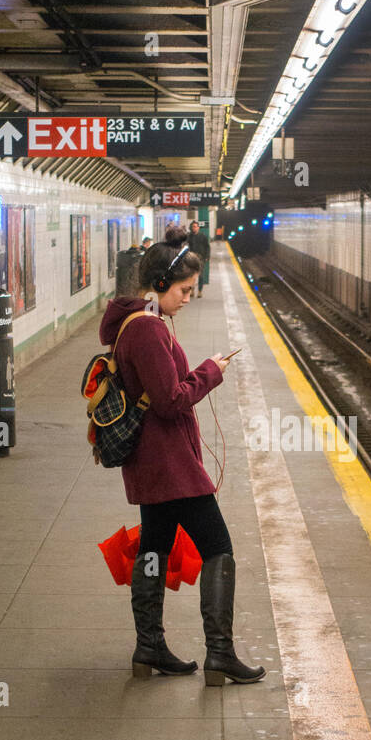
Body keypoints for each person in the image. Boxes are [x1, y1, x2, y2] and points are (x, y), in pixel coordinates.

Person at [98, 241, 265, 687]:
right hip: (168, 461)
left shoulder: (136, 324)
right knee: (218, 547)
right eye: (185, 290)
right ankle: (220, 654)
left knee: (154, 547)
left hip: (151, 462)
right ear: (159, 284)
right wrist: (211, 371)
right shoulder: (148, 331)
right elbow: (170, 401)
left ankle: (149, 646)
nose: (189, 298)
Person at [189, 219, 211, 296]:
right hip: (191, 258)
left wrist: (207, 256)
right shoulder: (189, 236)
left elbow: (207, 247)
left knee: (200, 275)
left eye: (195, 227)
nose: (194, 228)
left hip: (201, 258)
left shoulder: (203, 236)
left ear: (198, 227)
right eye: (193, 227)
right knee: (191, 275)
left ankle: (199, 291)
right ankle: (192, 291)